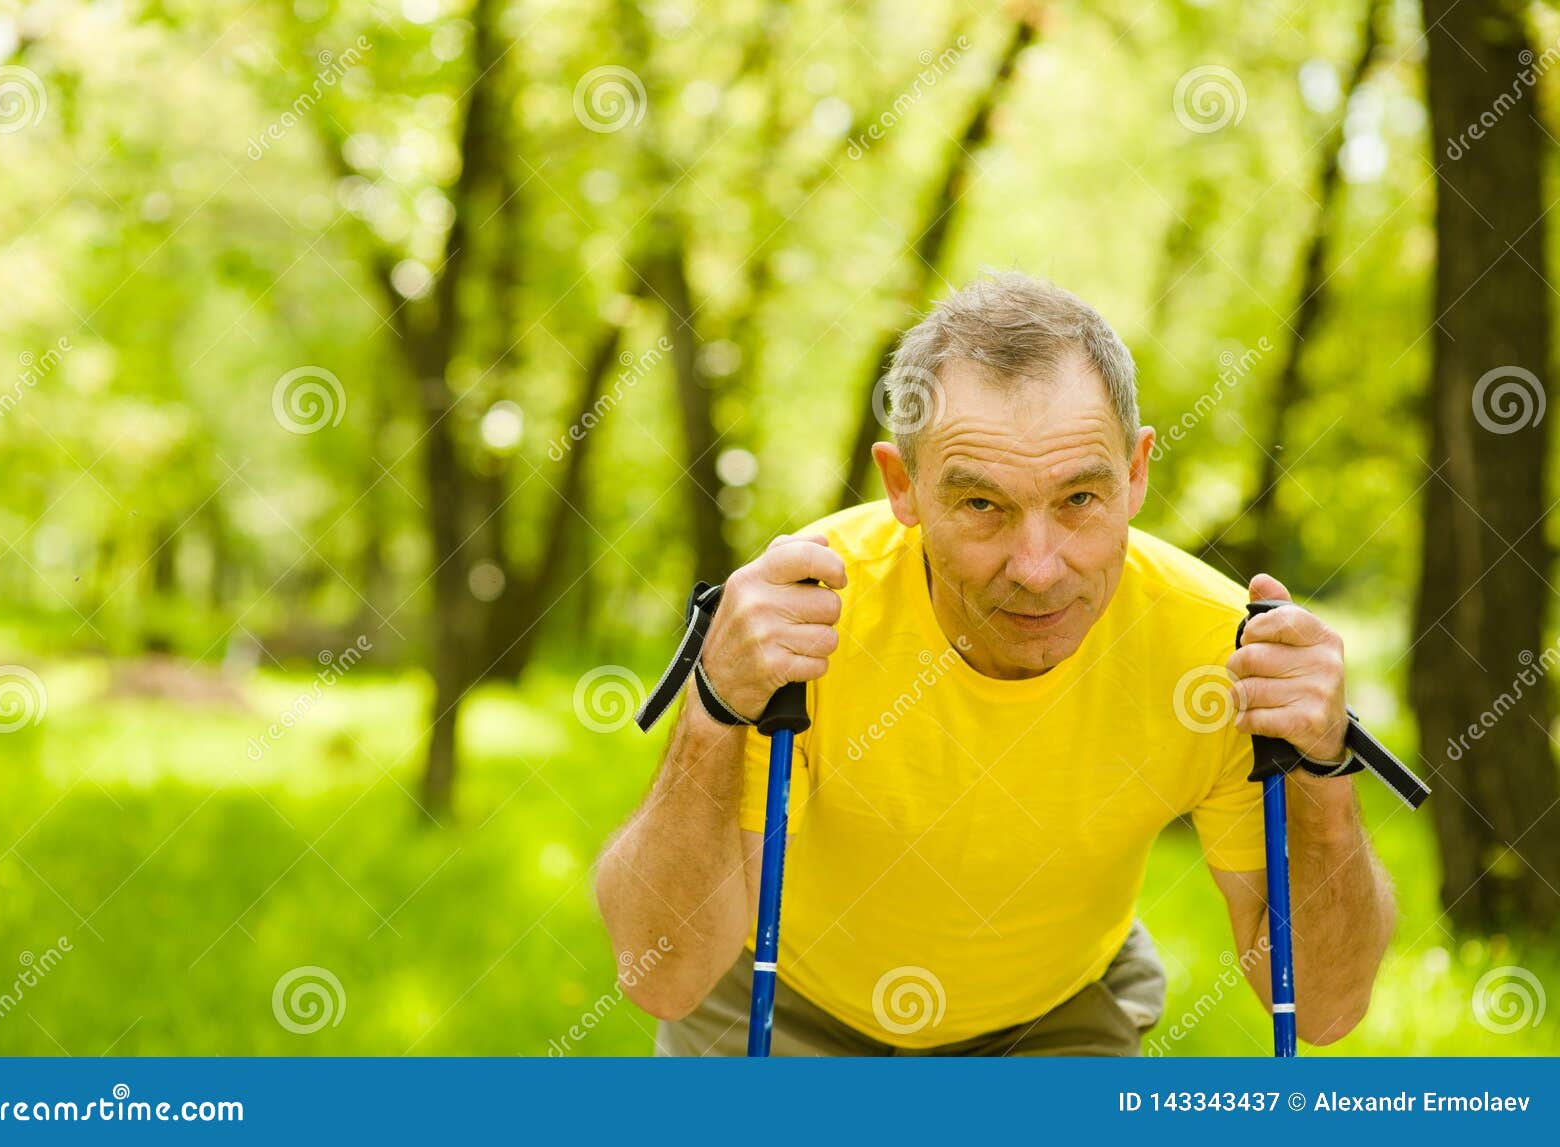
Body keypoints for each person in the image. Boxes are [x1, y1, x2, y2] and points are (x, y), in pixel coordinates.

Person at [595, 272, 1396, 1056]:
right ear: (903, 487)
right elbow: (664, 976)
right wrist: (715, 704)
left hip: (1050, 1016)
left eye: (1079, 499)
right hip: (787, 994)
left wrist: (1322, 766)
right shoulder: (807, 619)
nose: (1038, 568)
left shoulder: (1223, 657)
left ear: (1135, 473)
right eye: (982, 504)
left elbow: (1323, 1005)